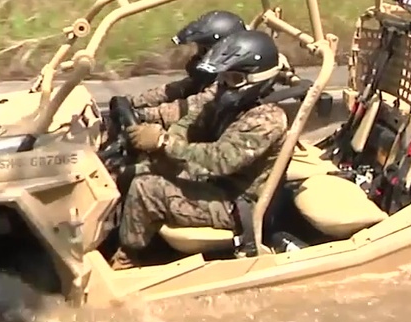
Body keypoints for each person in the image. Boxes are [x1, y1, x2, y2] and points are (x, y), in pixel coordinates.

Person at [111, 29, 289, 269]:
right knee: (129, 172)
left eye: (234, 79)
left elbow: (221, 159)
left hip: (235, 203)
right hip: (212, 183)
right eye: (224, 77)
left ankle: (127, 261)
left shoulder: (267, 119)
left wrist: (164, 142)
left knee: (146, 189)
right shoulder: (228, 98)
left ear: (259, 80)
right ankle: (110, 239)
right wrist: (161, 144)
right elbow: (192, 121)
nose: (226, 85)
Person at [128, 10, 247, 115]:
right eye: (201, 50)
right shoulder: (210, 78)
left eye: (205, 51)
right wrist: (134, 101)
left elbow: (196, 105)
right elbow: (179, 88)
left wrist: (144, 115)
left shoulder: (232, 83)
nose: (200, 56)